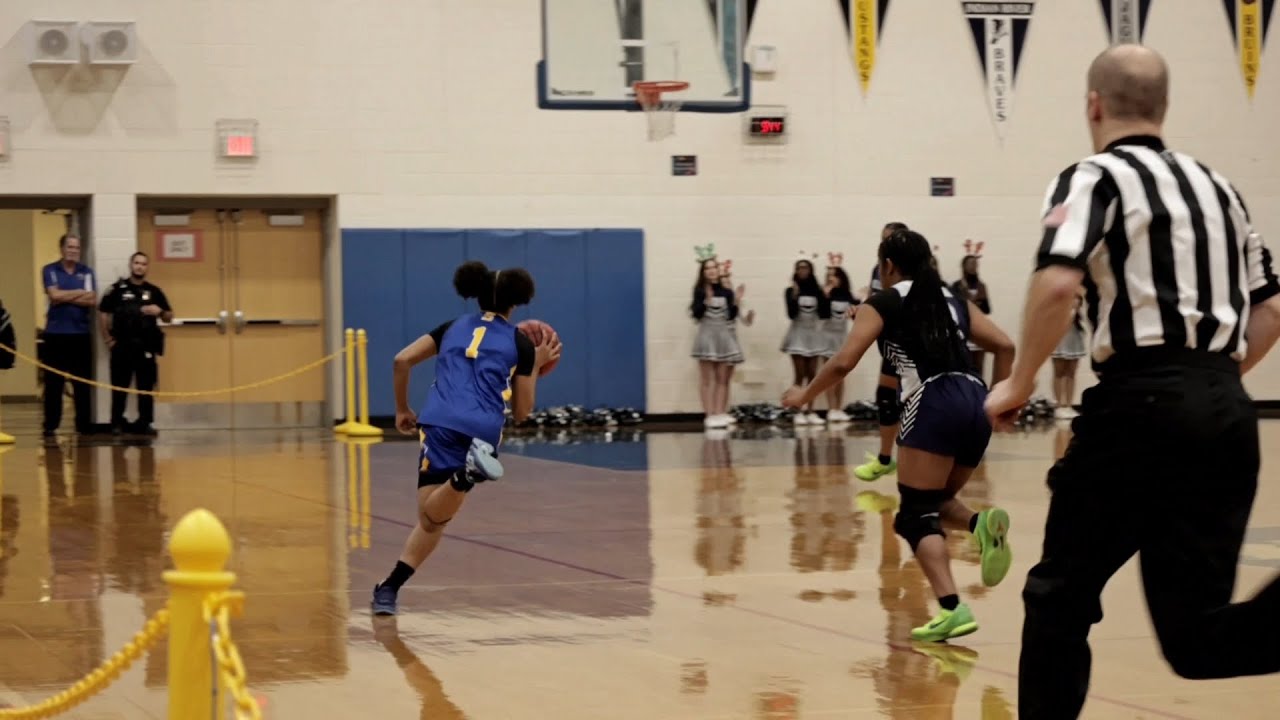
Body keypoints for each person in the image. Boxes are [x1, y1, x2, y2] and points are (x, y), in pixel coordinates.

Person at [984, 45, 1280, 719]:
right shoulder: (1220, 188)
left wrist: (1019, 382)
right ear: (1163, 106)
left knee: (1059, 598)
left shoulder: (1092, 178)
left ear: (1094, 105)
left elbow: (1057, 283)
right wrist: (1206, 387)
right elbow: (1271, 311)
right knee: (1196, 639)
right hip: (1226, 408)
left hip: (1136, 408)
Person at [783, 229, 1016, 641]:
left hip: (933, 400)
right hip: (977, 398)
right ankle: (980, 524)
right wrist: (1003, 398)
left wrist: (804, 395)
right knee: (935, 500)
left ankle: (952, 609)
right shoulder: (954, 299)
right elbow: (1005, 345)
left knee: (914, 516)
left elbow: (843, 362)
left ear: (887, 265)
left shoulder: (884, 301)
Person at [371, 261, 561, 616]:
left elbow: (401, 361)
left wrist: (401, 409)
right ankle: (390, 587)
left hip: (441, 422)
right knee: (432, 521)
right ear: (515, 303)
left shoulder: (452, 327)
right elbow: (522, 411)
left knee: (431, 519)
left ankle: (462, 478)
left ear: (477, 295)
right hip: (483, 431)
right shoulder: (520, 342)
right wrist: (534, 365)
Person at [854, 221, 909, 481]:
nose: (885, 244)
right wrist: (862, 309)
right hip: (892, 343)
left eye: (891, 238)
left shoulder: (918, 269)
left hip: (916, 345)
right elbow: (877, 301)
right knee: (886, 398)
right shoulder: (878, 268)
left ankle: (923, 459)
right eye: (883, 239)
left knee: (916, 401)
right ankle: (885, 459)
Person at [99, 252, 173, 435]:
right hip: (122, 346)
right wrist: (108, 339)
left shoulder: (154, 291)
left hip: (146, 346)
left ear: (147, 267)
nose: (140, 267)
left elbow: (169, 316)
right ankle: (117, 422)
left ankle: (145, 422)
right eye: (137, 263)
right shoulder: (117, 289)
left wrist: (159, 311)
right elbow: (103, 312)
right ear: (131, 265)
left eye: (143, 264)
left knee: (145, 388)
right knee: (119, 387)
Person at [41, 233, 97, 437]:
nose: (73, 251)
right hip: (55, 335)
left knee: (82, 384)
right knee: (53, 384)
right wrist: (79, 292)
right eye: (70, 247)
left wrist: (64, 296)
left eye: (77, 248)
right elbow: (53, 295)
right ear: (62, 249)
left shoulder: (87, 272)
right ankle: (51, 425)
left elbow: (92, 299)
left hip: (80, 335)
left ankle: (83, 425)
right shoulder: (50, 270)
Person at [691, 255, 746, 429]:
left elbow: (730, 316)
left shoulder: (726, 292)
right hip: (707, 337)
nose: (711, 271)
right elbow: (696, 315)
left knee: (722, 379)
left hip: (724, 337)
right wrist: (705, 301)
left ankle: (720, 411)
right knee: (707, 379)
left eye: (713, 267)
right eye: (707, 268)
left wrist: (736, 301)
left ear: (718, 270)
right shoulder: (699, 290)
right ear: (703, 272)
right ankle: (709, 414)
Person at [781, 255, 830, 425]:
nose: (802, 271)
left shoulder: (817, 290)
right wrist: (794, 296)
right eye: (799, 268)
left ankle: (811, 410)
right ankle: (797, 410)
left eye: (805, 268)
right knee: (799, 375)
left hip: (813, 335)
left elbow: (825, 314)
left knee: (812, 375)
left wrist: (825, 296)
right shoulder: (790, 291)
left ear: (810, 271)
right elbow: (791, 314)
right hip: (798, 335)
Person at [820, 257, 857, 423]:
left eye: (834, 275)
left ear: (841, 277)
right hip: (827, 337)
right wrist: (825, 296)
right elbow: (822, 314)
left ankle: (839, 408)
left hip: (842, 338)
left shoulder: (847, 295)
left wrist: (863, 300)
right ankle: (831, 408)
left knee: (841, 373)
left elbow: (856, 315)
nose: (831, 278)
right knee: (829, 373)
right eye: (828, 275)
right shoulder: (824, 294)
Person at [951, 246, 992, 381]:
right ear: (964, 266)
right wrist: (971, 303)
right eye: (971, 264)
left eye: (975, 264)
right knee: (962, 368)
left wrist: (979, 303)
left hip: (978, 332)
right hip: (962, 332)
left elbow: (987, 310)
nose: (973, 267)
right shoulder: (956, 286)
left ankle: (979, 389)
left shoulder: (981, 286)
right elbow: (954, 308)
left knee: (979, 367)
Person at [1049, 289, 1087, 419]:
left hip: (1074, 341)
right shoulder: (1058, 310)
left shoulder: (1077, 316)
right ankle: (1059, 405)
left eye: (1077, 298)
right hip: (1059, 341)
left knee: (1071, 374)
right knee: (1059, 373)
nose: (1075, 300)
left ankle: (1069, 405)